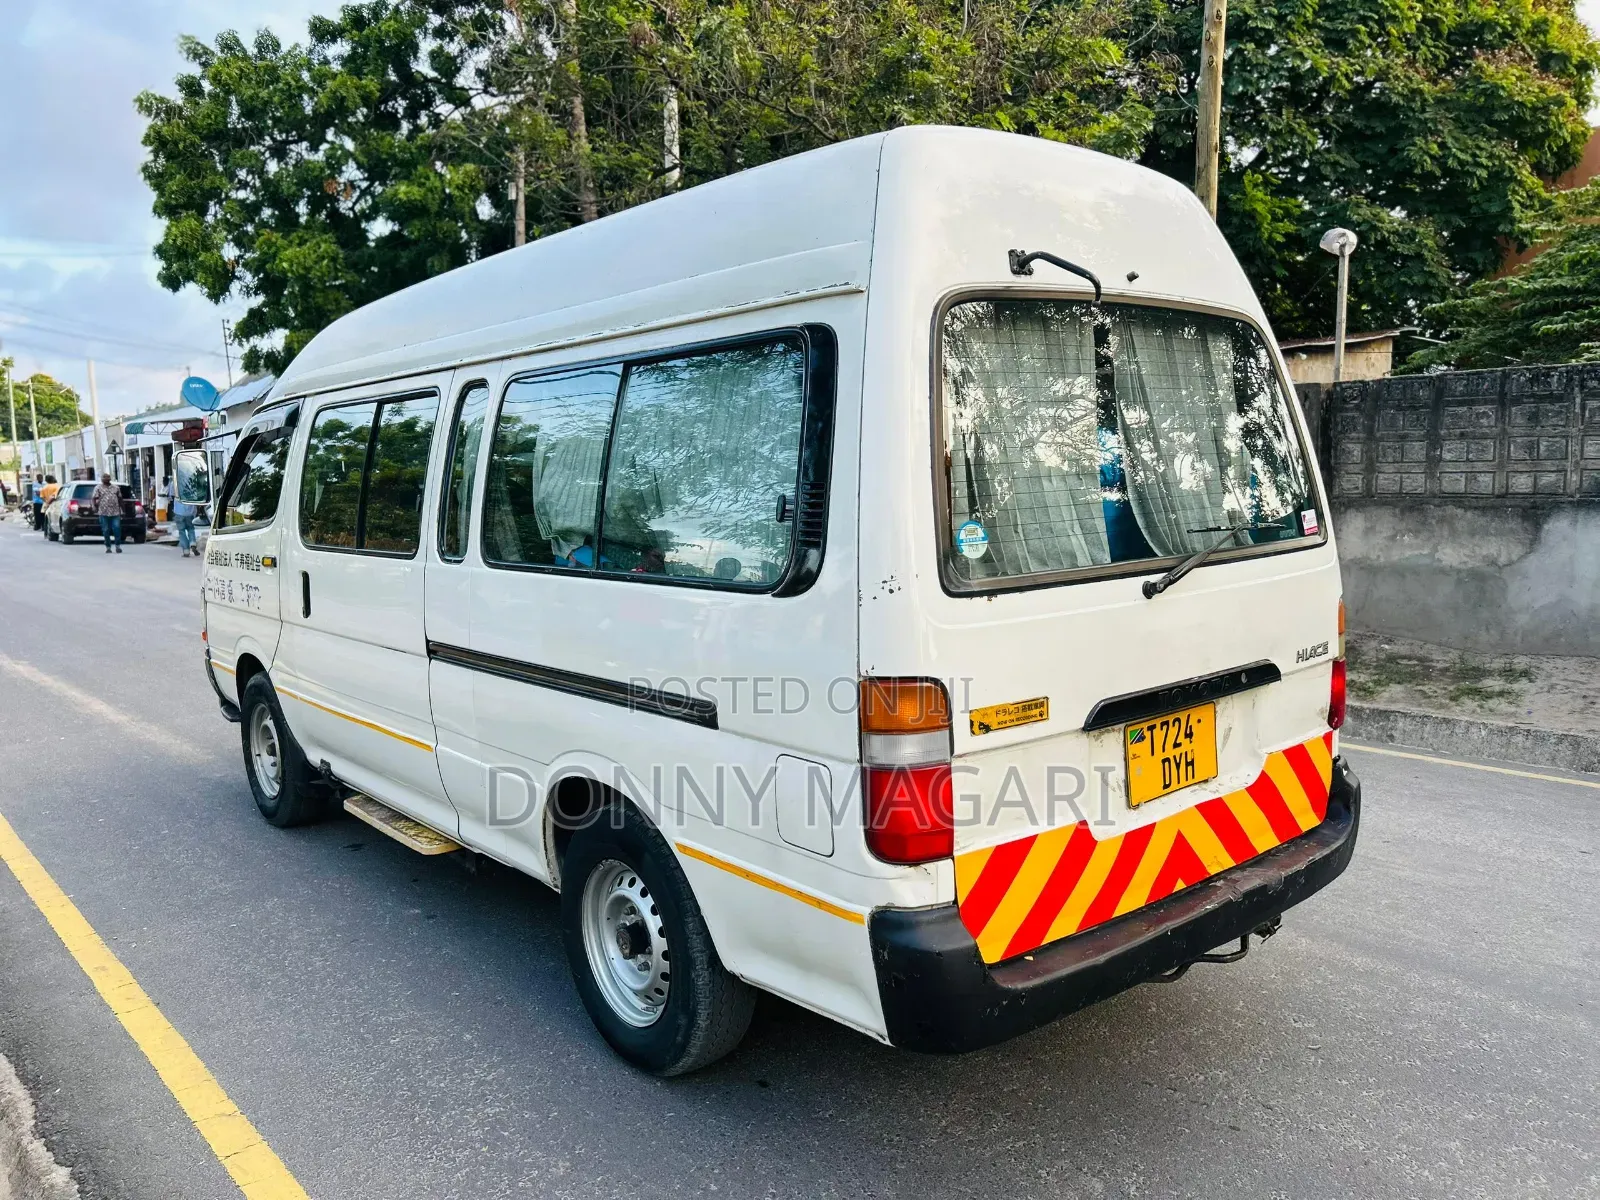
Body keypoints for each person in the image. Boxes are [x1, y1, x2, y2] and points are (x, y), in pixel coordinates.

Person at [89, 472, 123, 553]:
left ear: (110, 478)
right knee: (106, 530)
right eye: (104, 477)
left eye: (107, 477)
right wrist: (94, 506)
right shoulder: (98, 488)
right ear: (101, 479)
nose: (106, 478)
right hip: (103, 512)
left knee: (116, 528)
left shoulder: (116, 488)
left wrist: (122, 509)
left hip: (115, 512)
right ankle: (108, 547)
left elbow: (120, 499)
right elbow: (94, 498)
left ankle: (118, 546)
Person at [172, 485, 199, 557]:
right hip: (190, 512)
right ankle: (192, 543)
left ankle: (186, 551)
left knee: (182, 532)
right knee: (191, 529)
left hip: (178, 512)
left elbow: (171, 495)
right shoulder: (191, 481)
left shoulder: (175, 482)